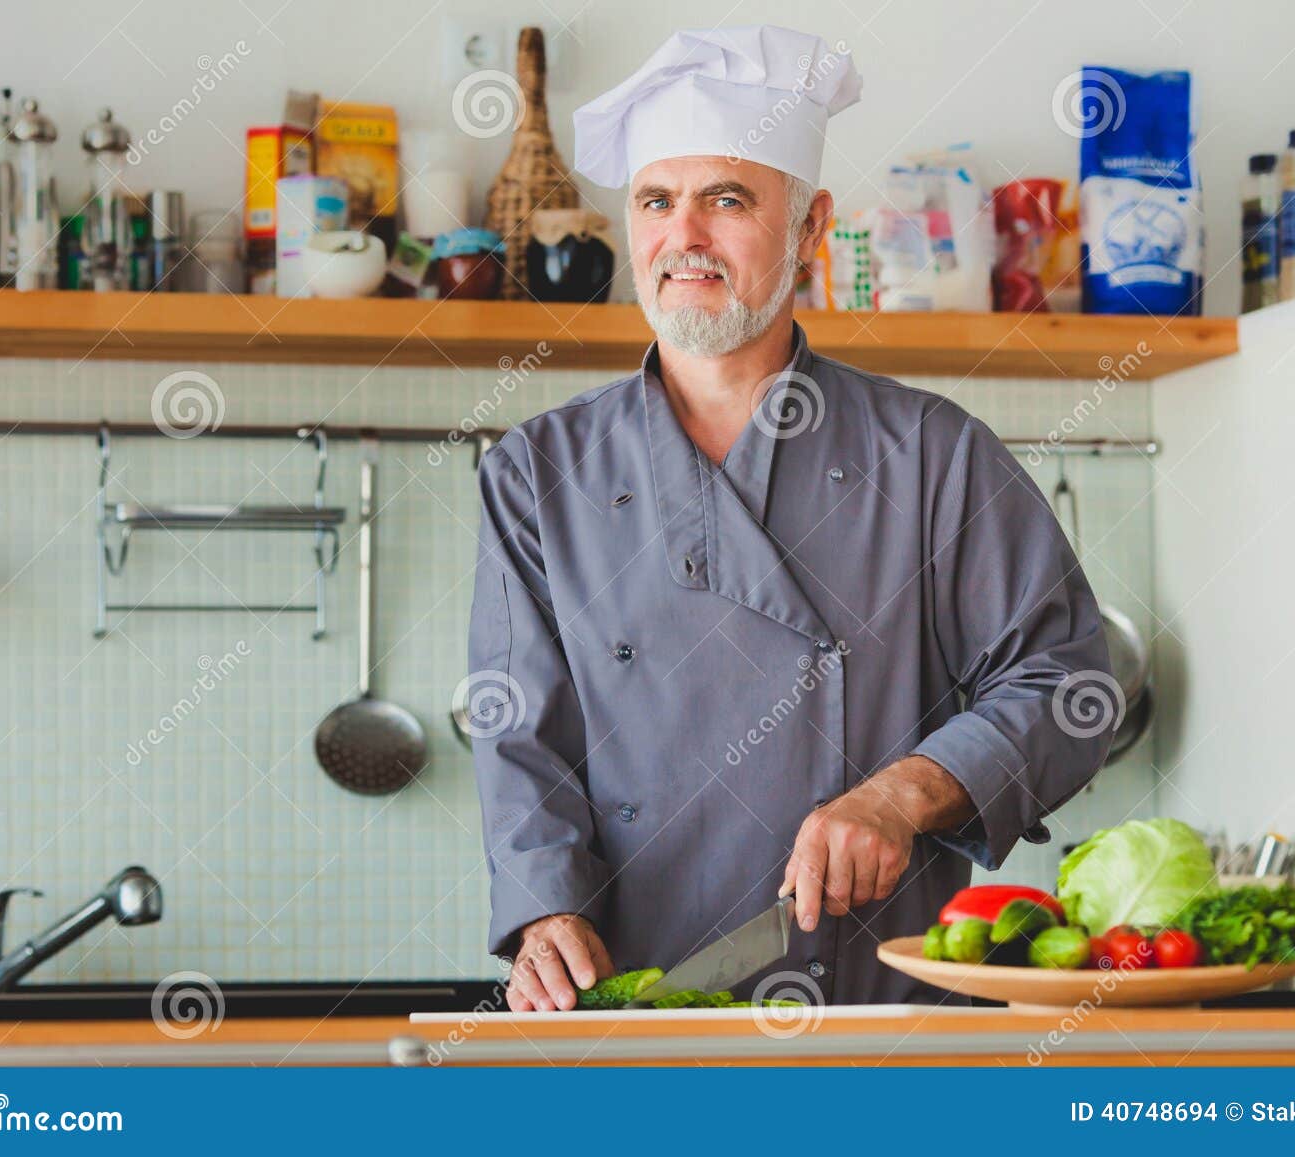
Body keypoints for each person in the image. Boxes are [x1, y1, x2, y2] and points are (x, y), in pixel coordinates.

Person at [467, 25, 1115, 1010]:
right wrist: (544, 913)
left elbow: (1071, 680)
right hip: (636, 1003)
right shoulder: (536, 472)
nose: (683, 236)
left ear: (810, 227)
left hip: (872, 1004)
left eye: (725, 200)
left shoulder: (933, 454)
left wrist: (904, 794)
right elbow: (520, 738)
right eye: (655, 201)